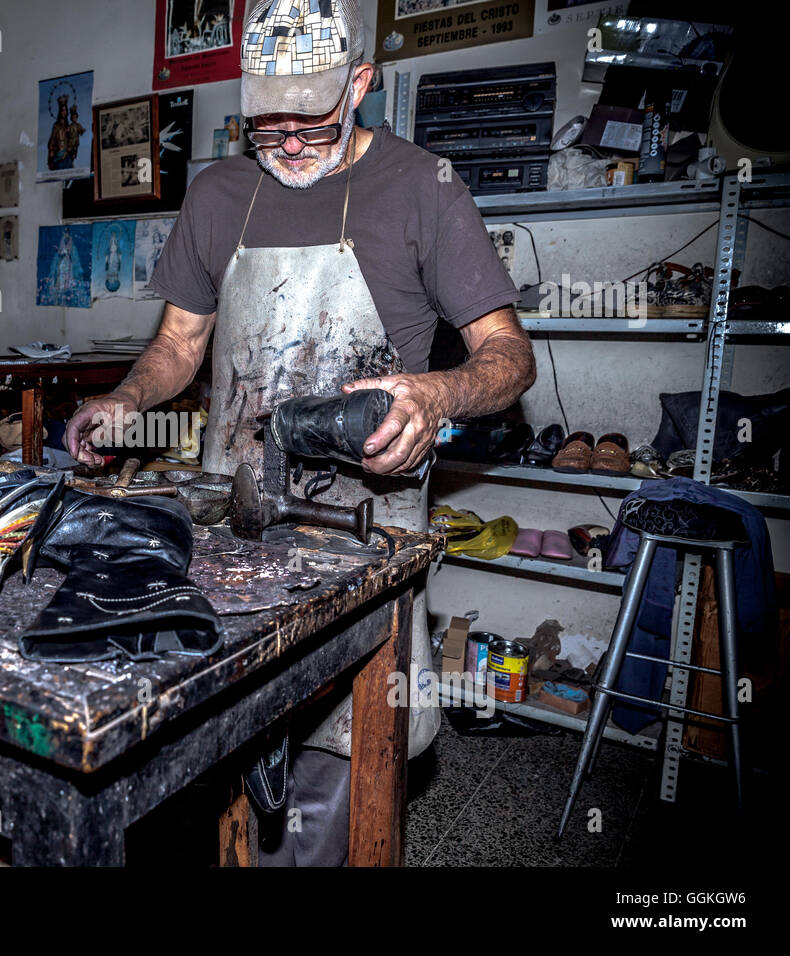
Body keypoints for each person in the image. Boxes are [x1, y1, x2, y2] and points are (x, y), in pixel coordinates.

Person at [65, 0, 535, 865]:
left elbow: (509, 359)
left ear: (360, 85)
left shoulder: (423, 187)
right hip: (232, 518)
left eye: (309, 125)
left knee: (345, 764)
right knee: (203, 743)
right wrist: (128, 402)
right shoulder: (216, 193)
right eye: (267, 124)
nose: (285, 146)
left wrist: (433, 395)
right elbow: (178, 344)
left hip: (363, 536)